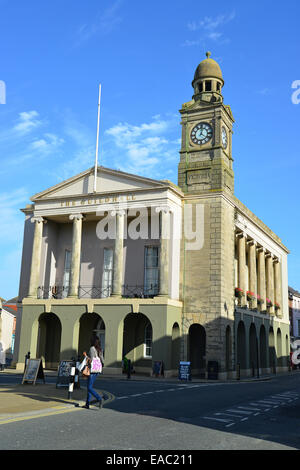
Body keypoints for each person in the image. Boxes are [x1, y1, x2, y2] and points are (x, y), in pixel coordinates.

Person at [82, 336, 104, 409]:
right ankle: (87, 404)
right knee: (89, 387)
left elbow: (91, 360)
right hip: (97, 370)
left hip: (92, 370)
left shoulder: (92, 349)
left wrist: (85, 355)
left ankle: (99, 399)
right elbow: (102, 360)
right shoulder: (100, 349)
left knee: (89, 387)